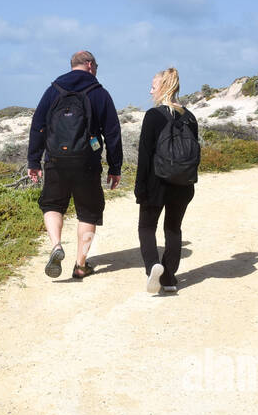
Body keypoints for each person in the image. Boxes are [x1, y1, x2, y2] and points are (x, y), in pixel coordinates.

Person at [27, 50, 122, 279]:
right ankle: (80, 264)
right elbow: (112, 133)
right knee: (88, 212)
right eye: (96, 65)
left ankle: (57, 245)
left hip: (55, 160)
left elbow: (38, 126)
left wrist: (34, 161)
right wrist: (114, 167)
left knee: (52, 204)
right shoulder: (99, 93)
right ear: (89, 65)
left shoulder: (53, 90)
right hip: (87, 162)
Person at [134, 67, 198, 293]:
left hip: (156, 182)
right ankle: (169, 278)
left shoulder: (153, 116)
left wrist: (139, 187)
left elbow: (145, 154)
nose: (150, 91)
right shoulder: (190, 117)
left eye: (153, 86)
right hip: (183, 184)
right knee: (173, 229)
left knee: (146, 227)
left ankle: (153, 267)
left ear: (163, 87)